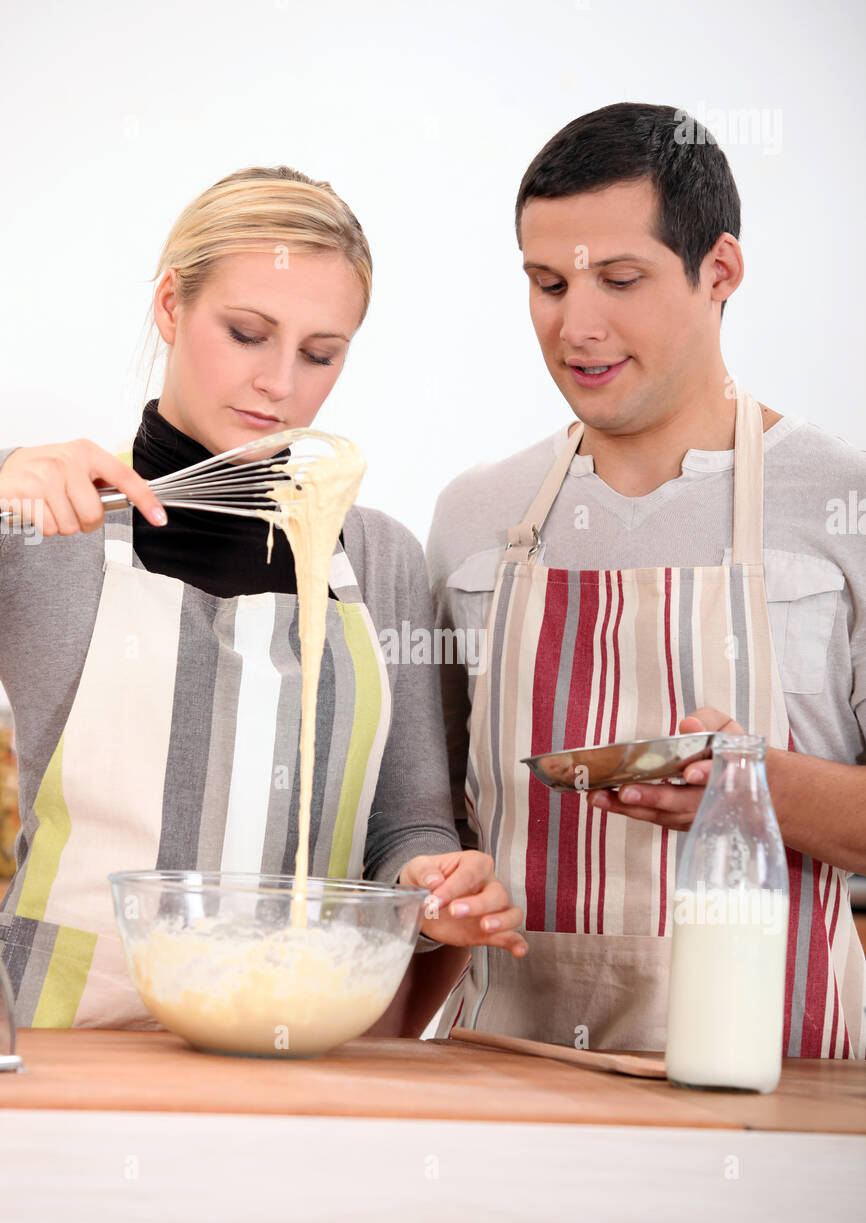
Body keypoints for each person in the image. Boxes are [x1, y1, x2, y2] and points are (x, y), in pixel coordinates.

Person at [0, 165, 523, 1032]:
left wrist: (431, 885)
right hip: (61, 1057)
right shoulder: (55, 531)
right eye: (248, 333)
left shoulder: (378, 558)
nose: (282, 383)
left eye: (321, 354)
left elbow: (407, 823)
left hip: (302, 1060)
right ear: (171, 306)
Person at [426, 103, 866, 1058]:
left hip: (778, 1081)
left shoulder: (842, 504)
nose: (576, 326)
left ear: (721, 271)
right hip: (508, 1072)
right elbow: (425, 825)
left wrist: (758, 790)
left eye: (620, 280)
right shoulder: (475, 517)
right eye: (547, 283)